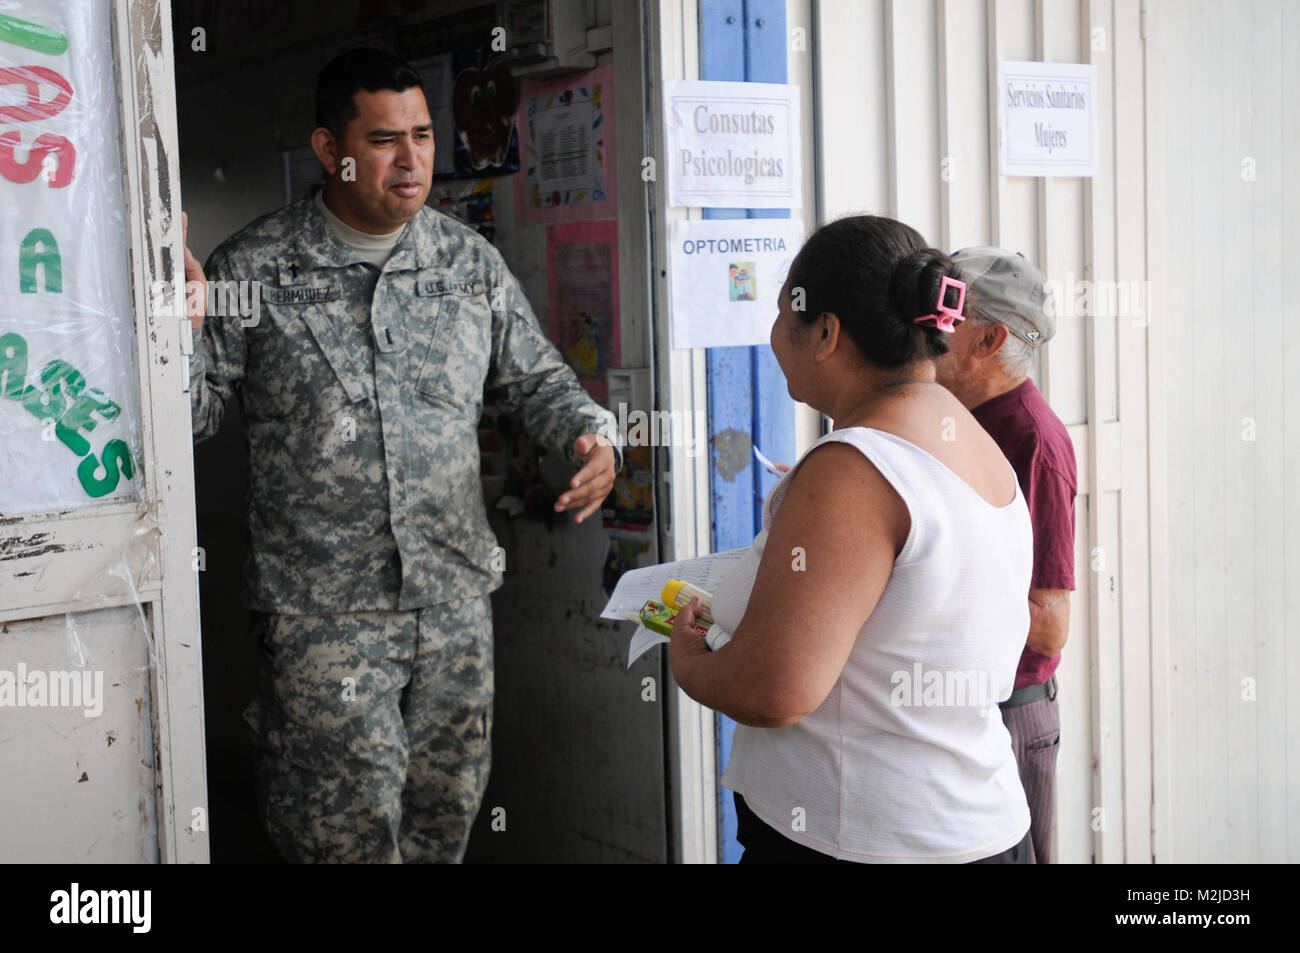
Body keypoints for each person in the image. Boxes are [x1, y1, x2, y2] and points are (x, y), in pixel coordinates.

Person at [182, 48, 620, 863]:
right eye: (385, 139)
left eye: (422, 133)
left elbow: (539, 380)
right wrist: (177, 335)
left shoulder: (466, 263)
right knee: (340, 838)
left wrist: (591, 434)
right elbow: (191, 420)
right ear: (328, 149)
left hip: (453, 602)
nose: (413, 158)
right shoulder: (256, 268)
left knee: (441, 824)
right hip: (324, 620)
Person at [670, 215, 1034, 863]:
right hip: (980, 824)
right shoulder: (976, 445)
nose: (775, 333)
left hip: (863, 842)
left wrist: (691, 659)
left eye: (785, 313)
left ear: (826, 333)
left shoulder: (854, 465)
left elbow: (774, 689)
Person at [933, 246, 1077, 864]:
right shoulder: (954, 415)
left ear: (989, 339)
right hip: (955, 711)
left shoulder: (1030, 440)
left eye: (945, 323)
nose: (927, 334)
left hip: (1008, 716)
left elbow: (1048, 626)